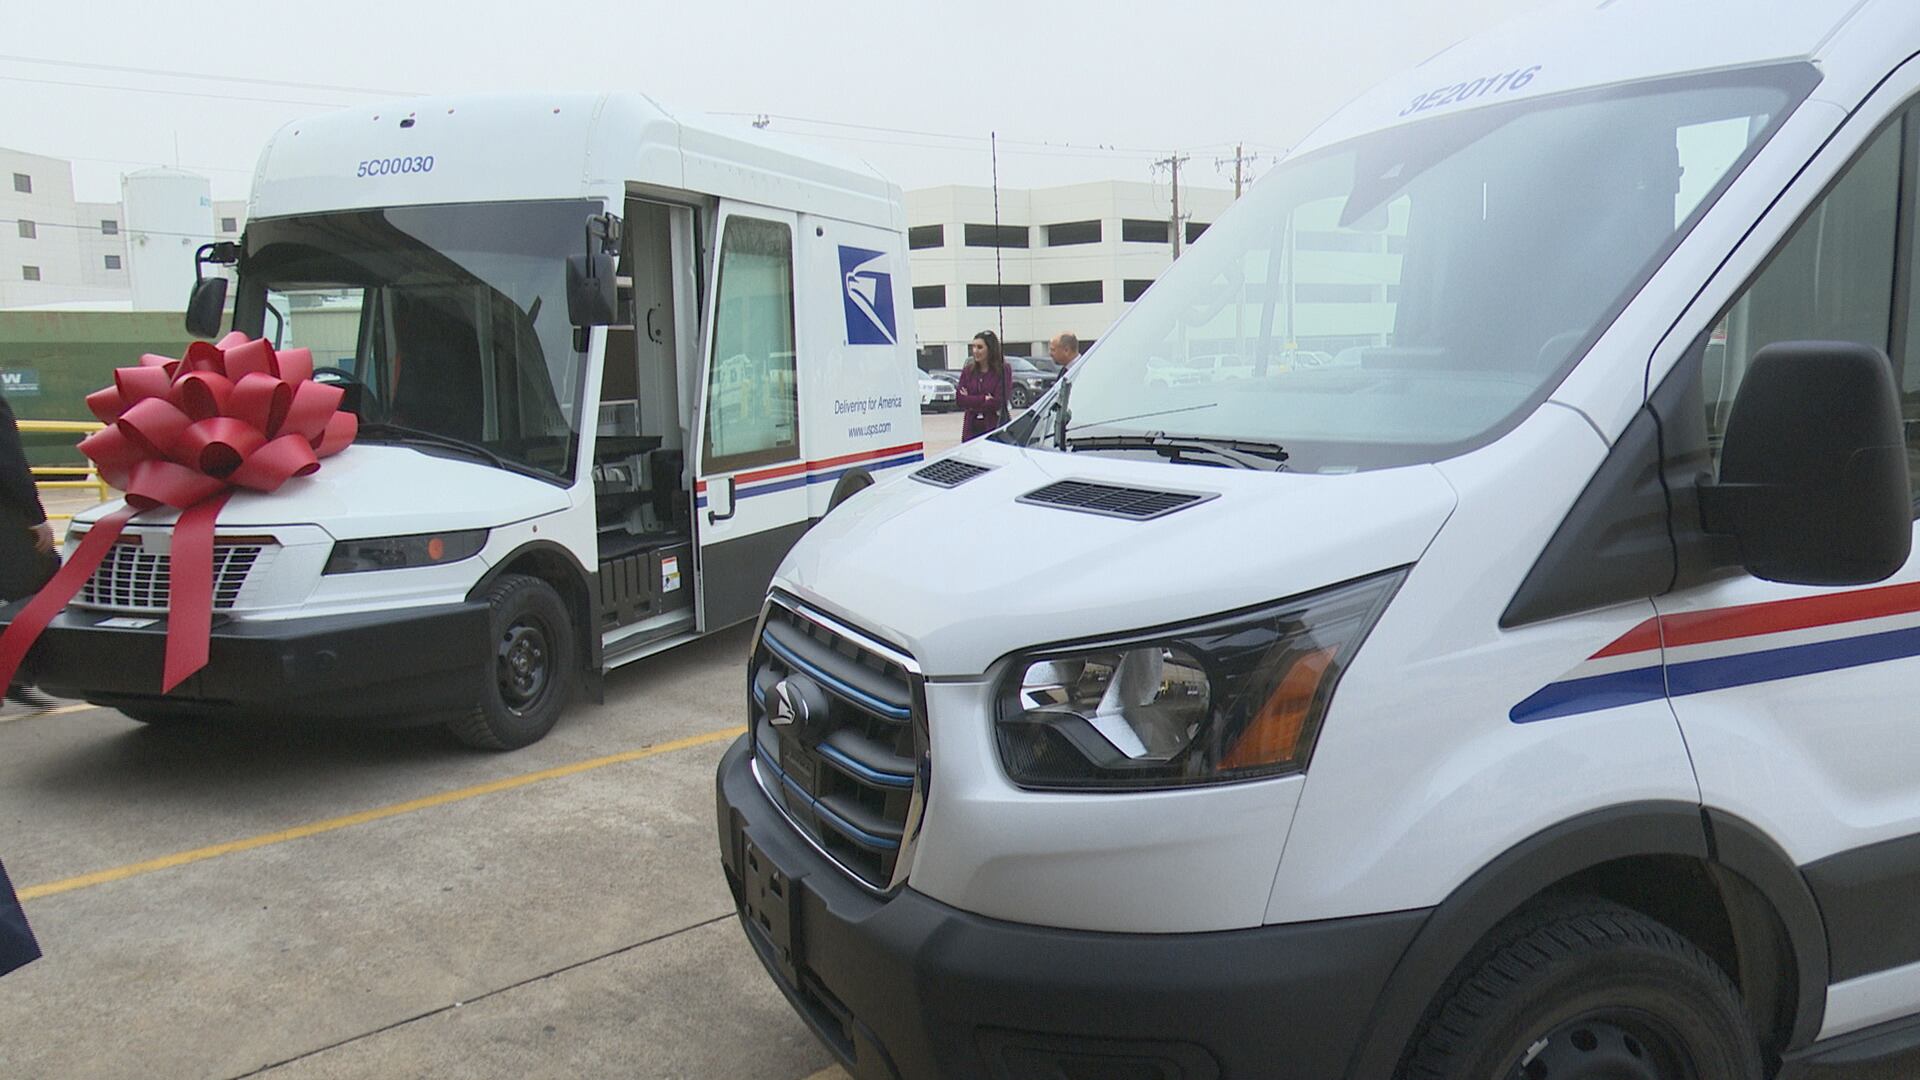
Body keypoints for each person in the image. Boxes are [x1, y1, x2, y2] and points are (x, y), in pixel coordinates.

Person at [0, 389, 59, 713]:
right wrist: (36, 517)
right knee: (41, 587)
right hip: (7, 517)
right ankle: (16, 676)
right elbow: (7, 460)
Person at [957, 330, 1012, 442]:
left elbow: (998, 402)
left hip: (994, 428)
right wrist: (983, 398)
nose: (975, 351)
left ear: (990, 349)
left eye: (980, 347)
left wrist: (971, 400)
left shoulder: (1003, 370)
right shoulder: (968, 371)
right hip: (971, 430)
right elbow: (960, 399)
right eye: (973, 347)